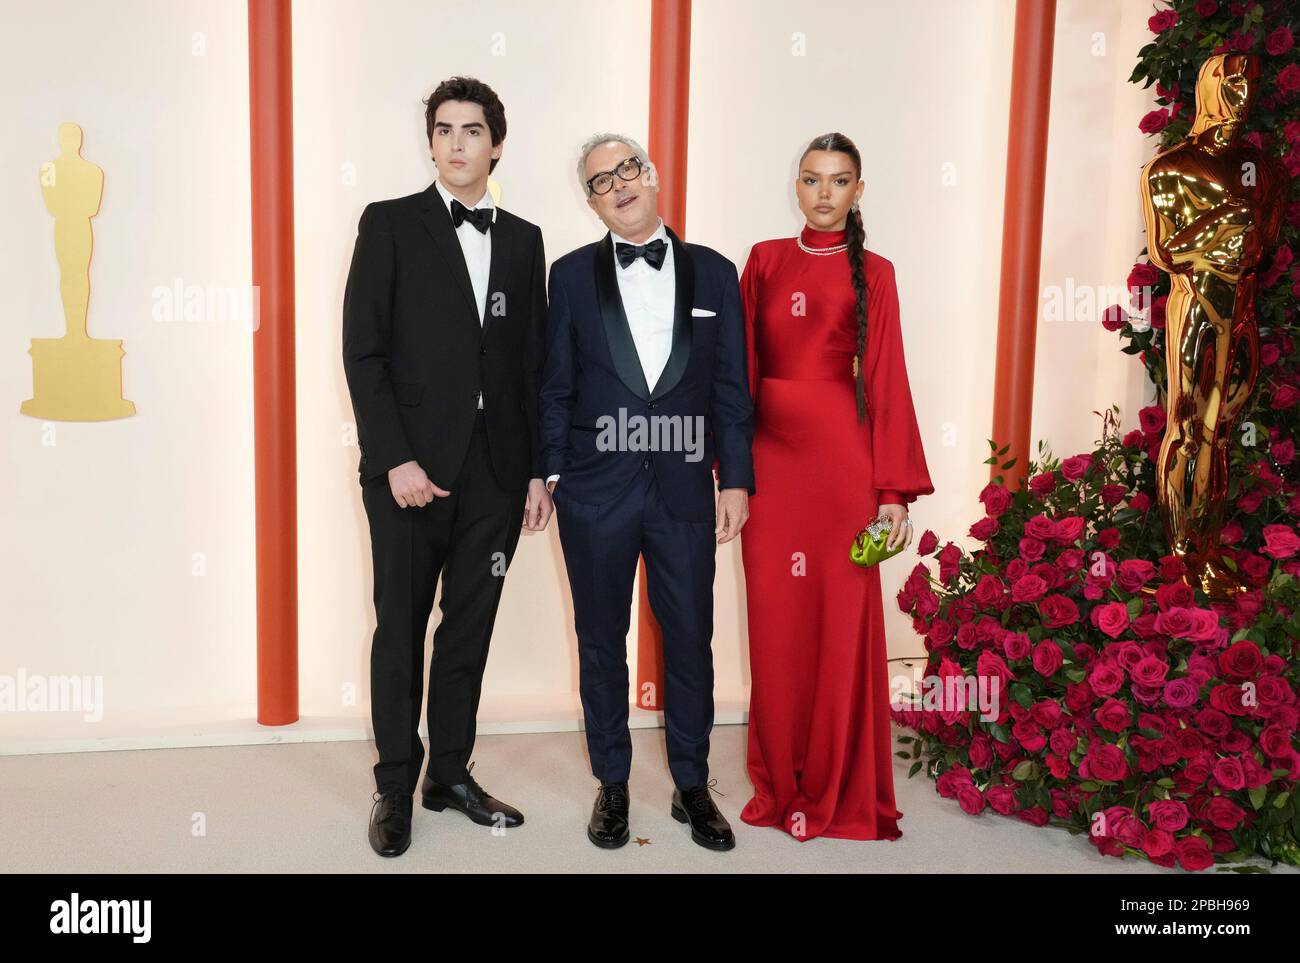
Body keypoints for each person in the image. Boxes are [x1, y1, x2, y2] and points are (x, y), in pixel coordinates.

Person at [342, 76, 552, 857]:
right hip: (408, 474)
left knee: (469, 627)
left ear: (496, 143)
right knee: (399, 626)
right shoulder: (390, 225)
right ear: (430, 142)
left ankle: (451, 772)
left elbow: (530, 365)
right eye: (443, 129)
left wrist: (534, 471)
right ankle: (395, 781)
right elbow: (363, 354)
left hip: (495, 473)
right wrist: (393, 456)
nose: (457, 143)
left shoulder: (526, 239)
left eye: (472, 130)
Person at [540, 133, 754, 851]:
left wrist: (738, 478)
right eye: (601, 181)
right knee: (601, 640)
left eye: (627, 168)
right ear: (592, 200)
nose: (619, 185)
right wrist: (552, 472)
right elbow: (556, 385)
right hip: (595, 492)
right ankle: (612, 781)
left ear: (653, 175)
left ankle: (692, 784)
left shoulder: (716, 273)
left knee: (691, 636)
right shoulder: (569, 276)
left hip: (687, 489)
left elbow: (731, 389)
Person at [738, 132, 933, 842]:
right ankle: (779, 783)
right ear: (796, 186)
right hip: (769, 470)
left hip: (844, 471)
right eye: (812, 179)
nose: (824, 193)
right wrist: (729, 470)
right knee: (774, 622)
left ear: (859, 190)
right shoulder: (762, 261)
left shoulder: (876, 272)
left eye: (839, 180)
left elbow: (886, 378)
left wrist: (891, 492)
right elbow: (739, 372)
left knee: (839, 623)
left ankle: (833, 785)